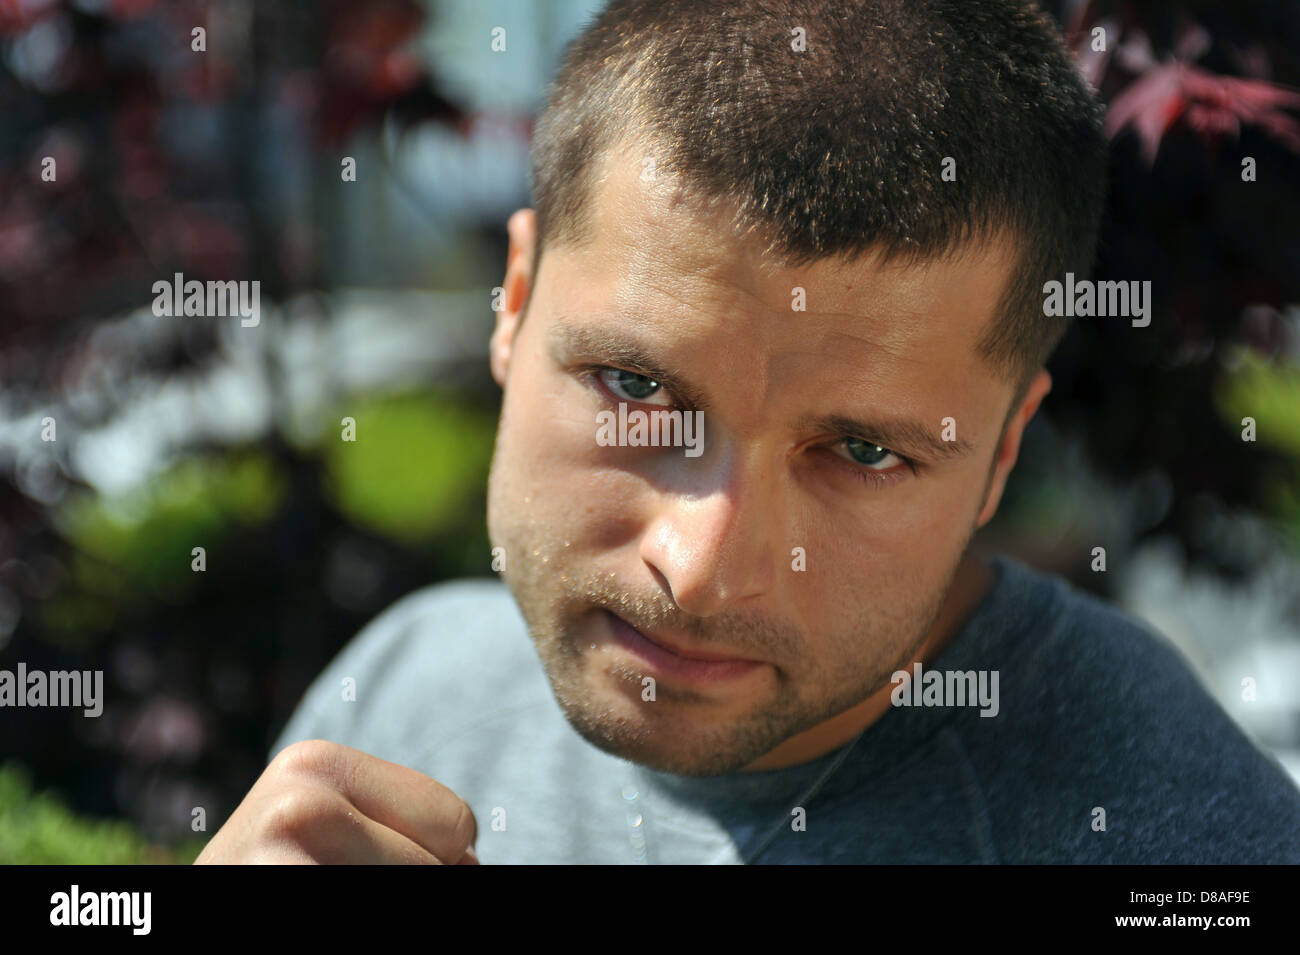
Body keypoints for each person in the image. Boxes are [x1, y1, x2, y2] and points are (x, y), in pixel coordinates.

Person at [196, 0, 1300, 864]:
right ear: (515, 302)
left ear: (1002, 453)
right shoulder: (405, 690)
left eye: (866, 451)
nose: (699, 568)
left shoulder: (1182, 842)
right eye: (634, 383)